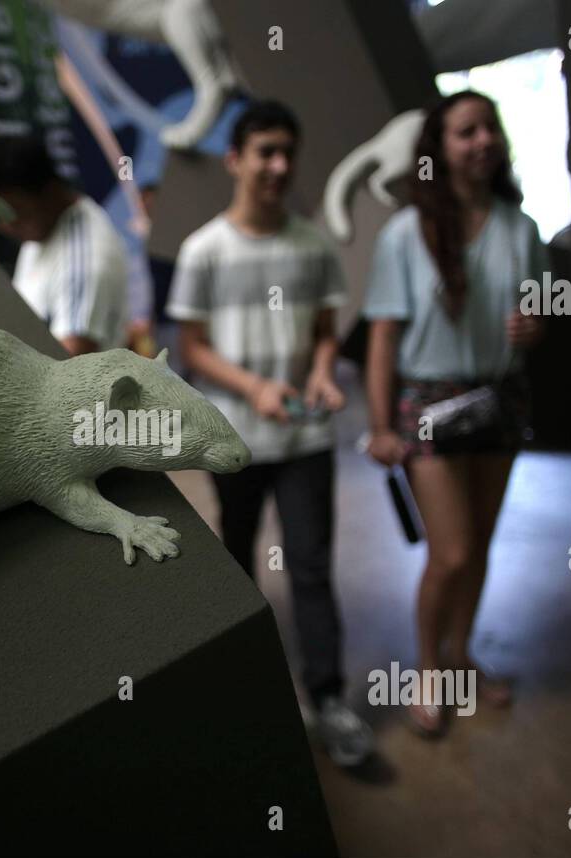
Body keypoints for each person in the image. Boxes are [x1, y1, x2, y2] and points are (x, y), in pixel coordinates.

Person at [168, 100, 374, 768]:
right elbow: (192, 348)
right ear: (235, 159)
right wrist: (254, 387)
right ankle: (245, 695)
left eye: (289, 151)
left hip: (307, 442)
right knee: (237, 566)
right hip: (234, 440)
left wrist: (321, 371)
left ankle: (329, 699)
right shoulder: (204, 250)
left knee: (311, 570)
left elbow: (323, 328)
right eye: (265, 151)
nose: (279, 165)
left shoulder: (313, 244)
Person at [362, 90, 548, 735]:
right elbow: (383, 335)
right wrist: (381, 425)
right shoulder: (405, 233)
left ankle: (462, 657)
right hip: (430, 406)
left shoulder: (521, 229)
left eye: (489, 128)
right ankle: (427, 669)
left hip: (500, 400)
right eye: (466, 131)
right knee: (452, 552)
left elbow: (536, 314)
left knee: (483, 546)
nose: (482, 141)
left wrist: (535, 328)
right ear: (438, 150)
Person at [0, 133, 129, 355]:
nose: (5, 226)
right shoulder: (41, 228)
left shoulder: (84, 263)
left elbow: (67, 364)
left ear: (50, 193)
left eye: (14, 212)